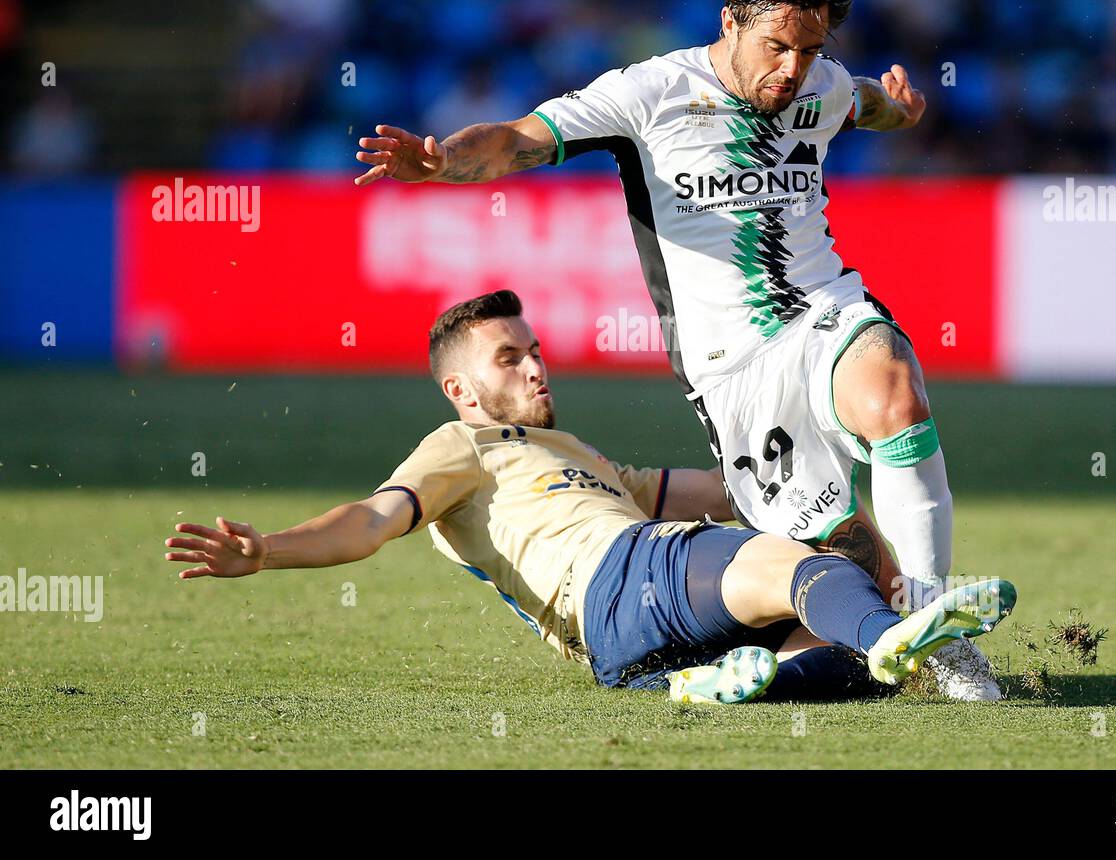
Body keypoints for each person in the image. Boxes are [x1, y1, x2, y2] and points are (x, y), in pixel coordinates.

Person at [351, 0, 997, 696]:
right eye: (777, 46)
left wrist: (902, 110)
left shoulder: (820, 83)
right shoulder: (649, 92)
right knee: (850, 559)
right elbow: (519, 139)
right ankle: (871, 638)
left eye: (811, 48)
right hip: (731, 369)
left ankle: (933, 619)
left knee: (894, 393)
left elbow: (868, 101)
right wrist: (442, 162)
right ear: (730, 21)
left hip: (823, 305)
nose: (793, 69)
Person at [163, 290, 1015, 703]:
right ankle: (903, 637)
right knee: (795, 569)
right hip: (615, 580)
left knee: (834, 642)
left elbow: (727, 489)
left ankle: (721, 685)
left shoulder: (574, 456)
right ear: (460, 390)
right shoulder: (460, 447)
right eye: (509, 358)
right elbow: (373, 519)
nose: (536, 365)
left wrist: (839, 447)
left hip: (624, 647)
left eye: (534, 349)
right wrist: (267, 550)